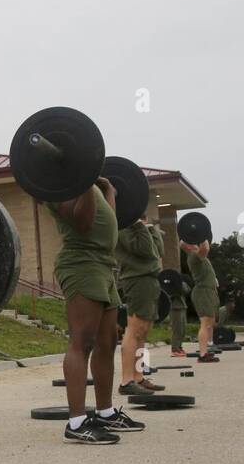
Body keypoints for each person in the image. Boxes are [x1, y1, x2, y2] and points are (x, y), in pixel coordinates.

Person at [50, 177, 145, 443]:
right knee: (83, 341)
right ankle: (77, 422)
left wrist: (107, 190)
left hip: (103, 264)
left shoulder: (89, 184)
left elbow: (109, 224)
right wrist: (85, 178)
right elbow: (84, 222)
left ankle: (105, 413)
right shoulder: (58, 184)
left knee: (107, 342)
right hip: (81, 262)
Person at [115, 217, 164, 394]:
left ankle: (138, 376)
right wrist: (138, 225)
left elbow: (158, 251)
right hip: (136, 279)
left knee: (143, 331)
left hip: (149, 279)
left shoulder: (140, 228)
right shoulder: (123, 227)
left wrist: (151, 228)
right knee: (134, 329)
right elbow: (145, 249)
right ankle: (126, 381)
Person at [180, 237, 219, 362]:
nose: (197, 244)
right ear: (189, 247)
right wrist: (204, 235)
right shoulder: (193, 256)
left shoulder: (198, 256)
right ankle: (202, 355)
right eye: (193, 243)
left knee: (210, 322)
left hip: (208, 291)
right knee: (205, 322)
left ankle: (205, 351)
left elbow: (203, 248)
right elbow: (205, 247)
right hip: (203, 292)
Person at [169, 287, 188, 356]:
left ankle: (179, 347)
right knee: (177, 328)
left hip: (182, 305)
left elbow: (187, 289)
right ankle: (175, 349)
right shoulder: (171, 278)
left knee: (182, 329)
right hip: (175, 306)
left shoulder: (180, 279)